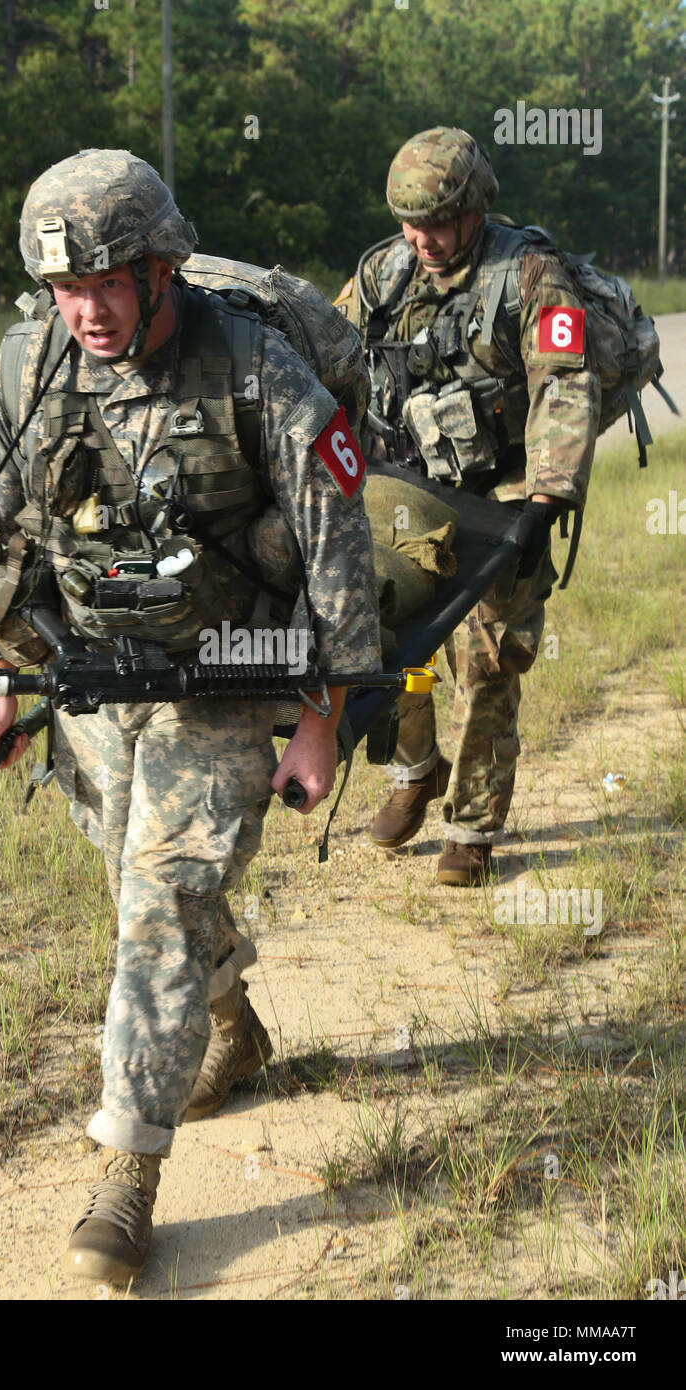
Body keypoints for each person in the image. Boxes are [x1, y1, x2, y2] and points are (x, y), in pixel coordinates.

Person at [0, 148, 381, 1284]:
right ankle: (230, 1025)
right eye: (61, 288)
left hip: (235, 665)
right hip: (95, 665)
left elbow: (337, 548)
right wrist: (4, 679)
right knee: (130, 875)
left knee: (161, 892)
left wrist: (322, 717)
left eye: (103, 283)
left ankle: (126, 1170)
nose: (81, 310)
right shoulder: (28, 365)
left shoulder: (255, 369)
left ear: (158, 269)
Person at [336, 126, 600, 887]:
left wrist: (548, 496)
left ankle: (473, 825)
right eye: (411, 223)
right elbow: (326, 351)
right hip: (410, 489)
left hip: (506, 496)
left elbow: (564, 382)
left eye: (440, 223)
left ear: (477, 208)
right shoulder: (383, 272)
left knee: (487, 662)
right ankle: (415, 772)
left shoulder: (530, 274)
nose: (424, 238)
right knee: (390, 637)